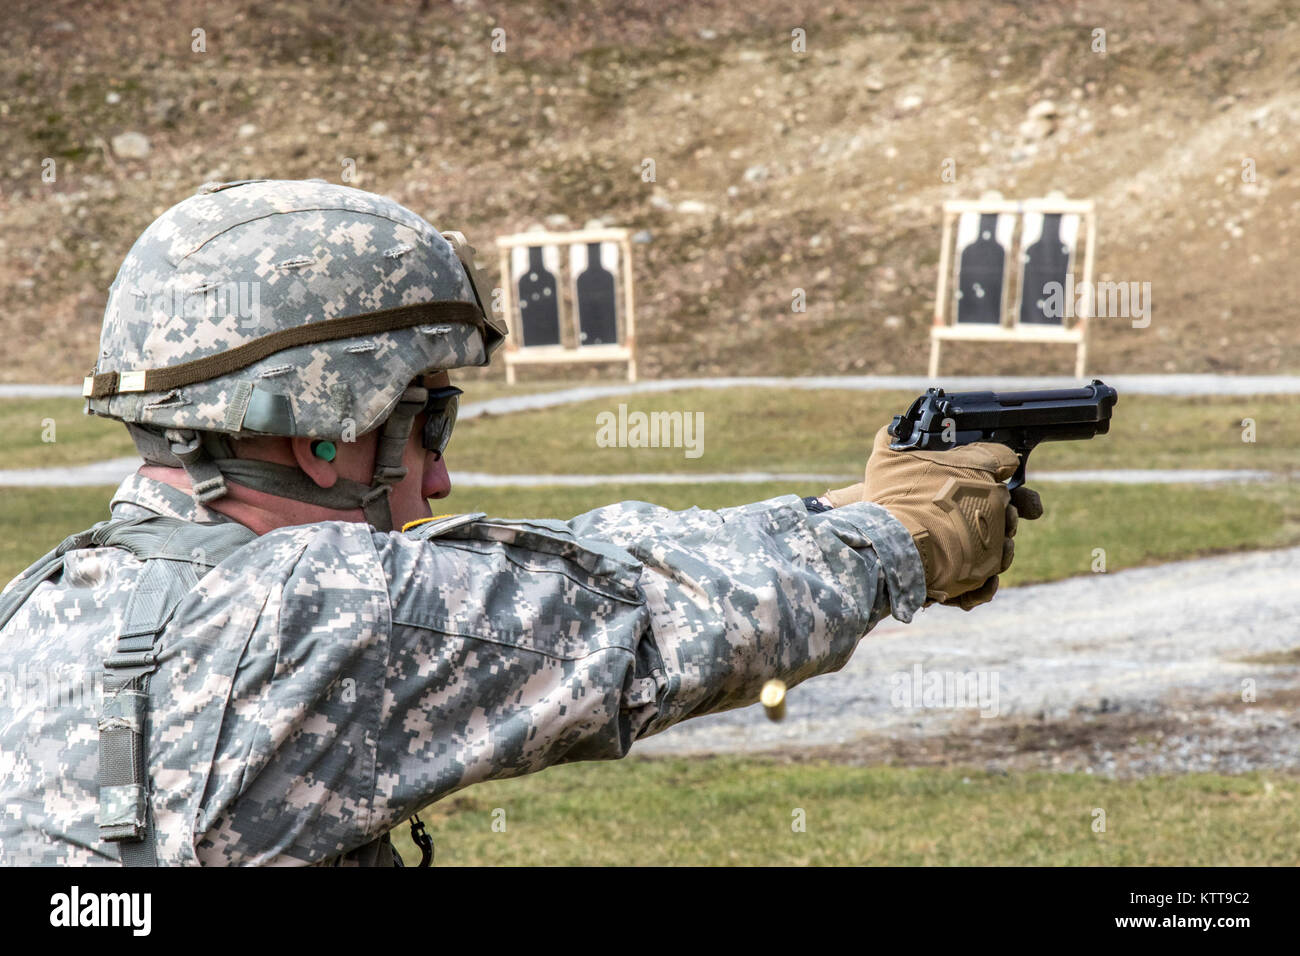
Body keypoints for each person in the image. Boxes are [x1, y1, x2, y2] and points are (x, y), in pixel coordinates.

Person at [0, 180, 1038, 866]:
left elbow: (590, 569)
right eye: (426, 416)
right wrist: (906, 532)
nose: (439, 474)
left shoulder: (41, 607)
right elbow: (652, 620)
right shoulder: (319, 608)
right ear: (325, 431)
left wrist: (835, 509)